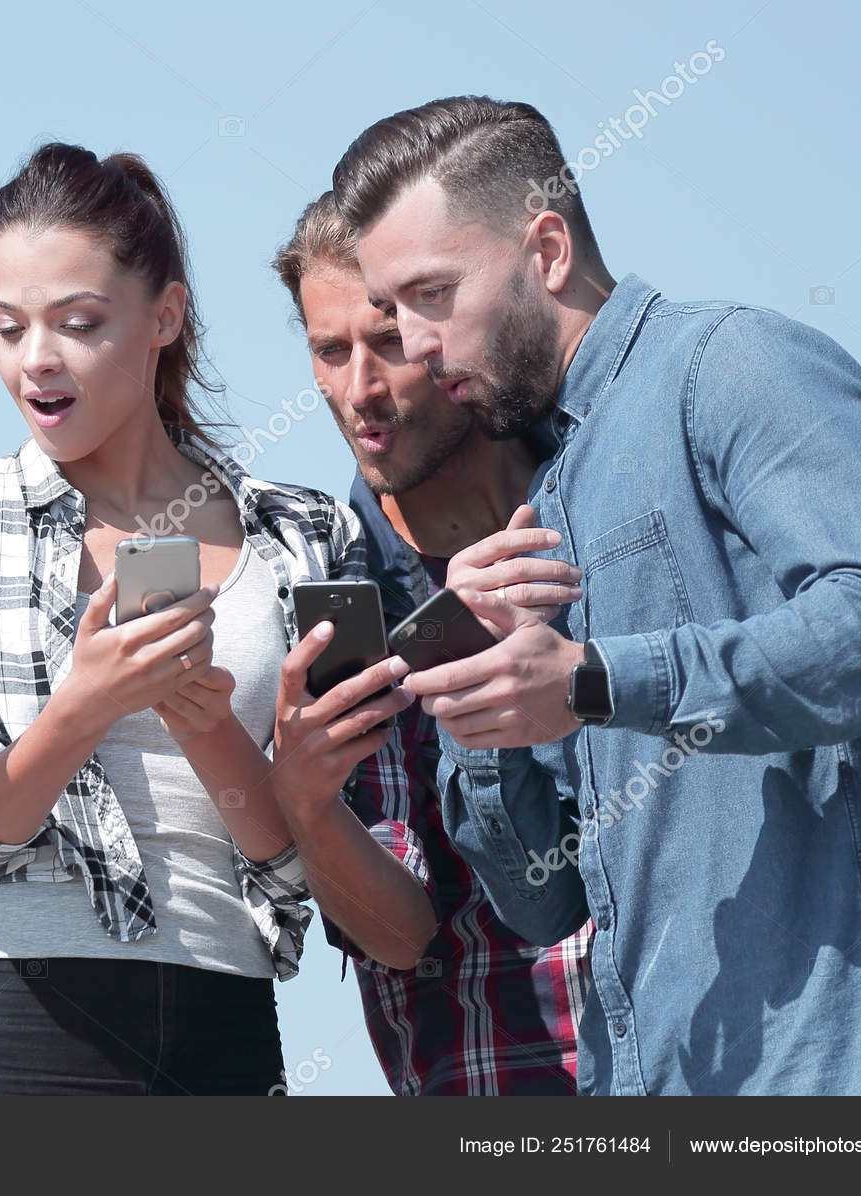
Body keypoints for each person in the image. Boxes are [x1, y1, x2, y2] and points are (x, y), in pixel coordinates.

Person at [334, 95, 861, 1095]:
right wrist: (475, 705)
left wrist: (592, 677)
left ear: (545, 248)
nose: (414, 343)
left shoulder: (733, 364)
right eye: (392, 309)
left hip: (831, 1071)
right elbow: (542, 903)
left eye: (433, 294)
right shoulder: (546, 495)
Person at [0, 143, 436, 1095]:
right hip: (11, 1019)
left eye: (79, 323)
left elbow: (311, 872)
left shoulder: (304, 536)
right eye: (7, 328)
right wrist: (82, 707)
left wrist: (208, 726)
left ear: (164, 315)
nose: (35, 360)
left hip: (228, 1019)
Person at [271, 190, 592, 1095]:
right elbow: (398, 932)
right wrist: (301, 795)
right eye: (329, 352)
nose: (358, 391)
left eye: (384, 342)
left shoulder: (613, 499)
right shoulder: (337, 591)